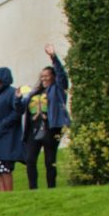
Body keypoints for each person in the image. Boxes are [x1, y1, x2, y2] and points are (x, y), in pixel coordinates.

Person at [23, 45, 70, 190]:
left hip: (51, 128)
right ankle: (33, 189)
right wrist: (18, 98)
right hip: (34, 129)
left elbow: (62, 75)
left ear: (53, 76)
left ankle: (51, 188)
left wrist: (54, 57)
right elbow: (22, 107)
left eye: (47, 75)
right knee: (30, 160)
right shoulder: (35, 92)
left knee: (49, 160)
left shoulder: (58, 88)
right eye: (42, 75)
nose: (43, 77)